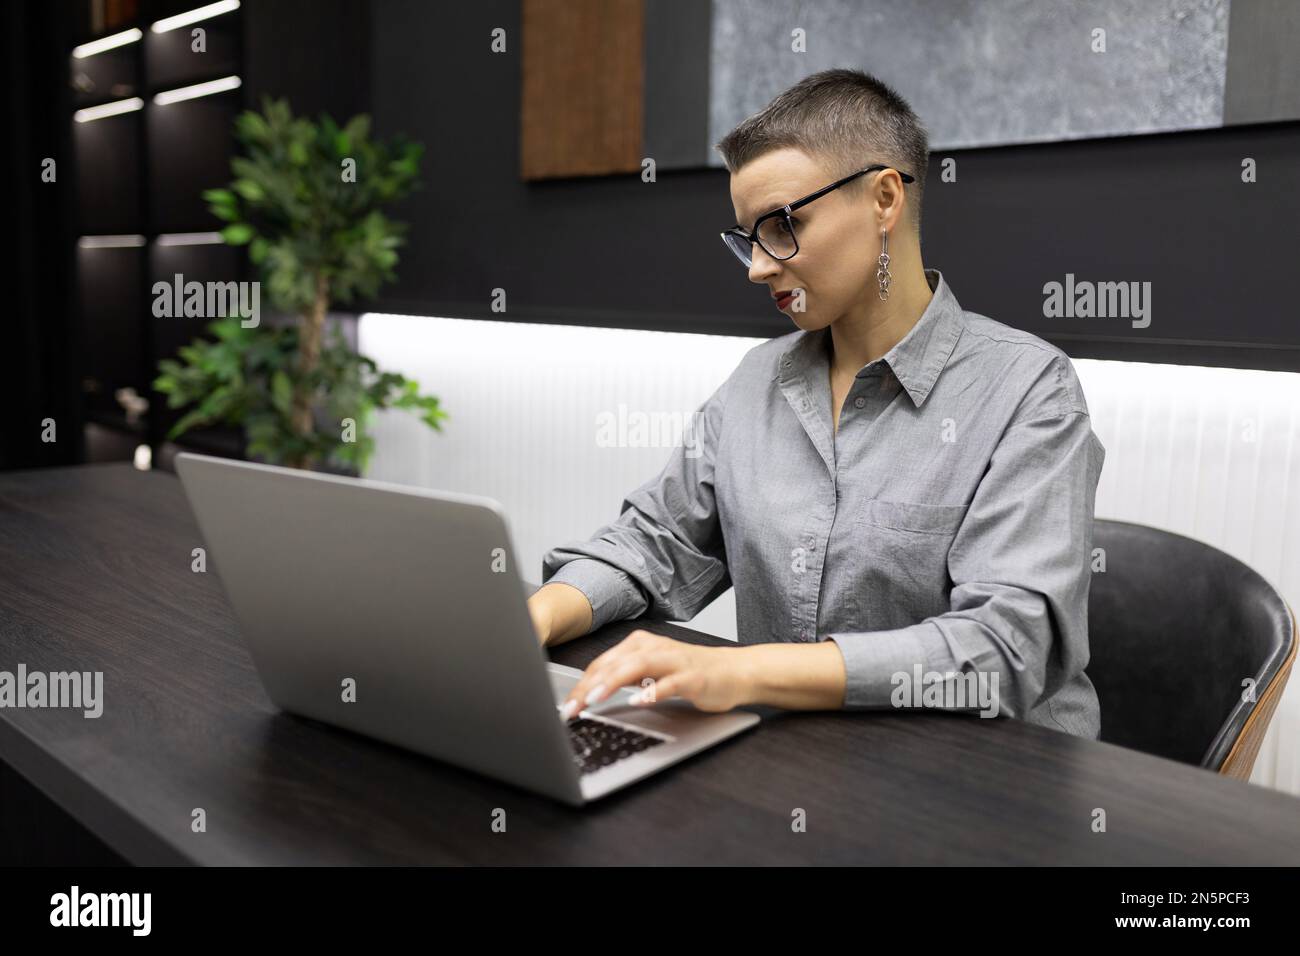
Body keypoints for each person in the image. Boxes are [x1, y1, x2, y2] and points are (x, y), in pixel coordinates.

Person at [528, 68, 1106, 738]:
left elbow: (1004, 649)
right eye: (749, 235)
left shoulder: (1031, 390)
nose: (758, 266)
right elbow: (652, 542)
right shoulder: (757, 382)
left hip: (988, 789)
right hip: (803, 767)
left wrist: (742, 674)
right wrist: (532, 619)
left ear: (884, 198)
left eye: (783, 224)